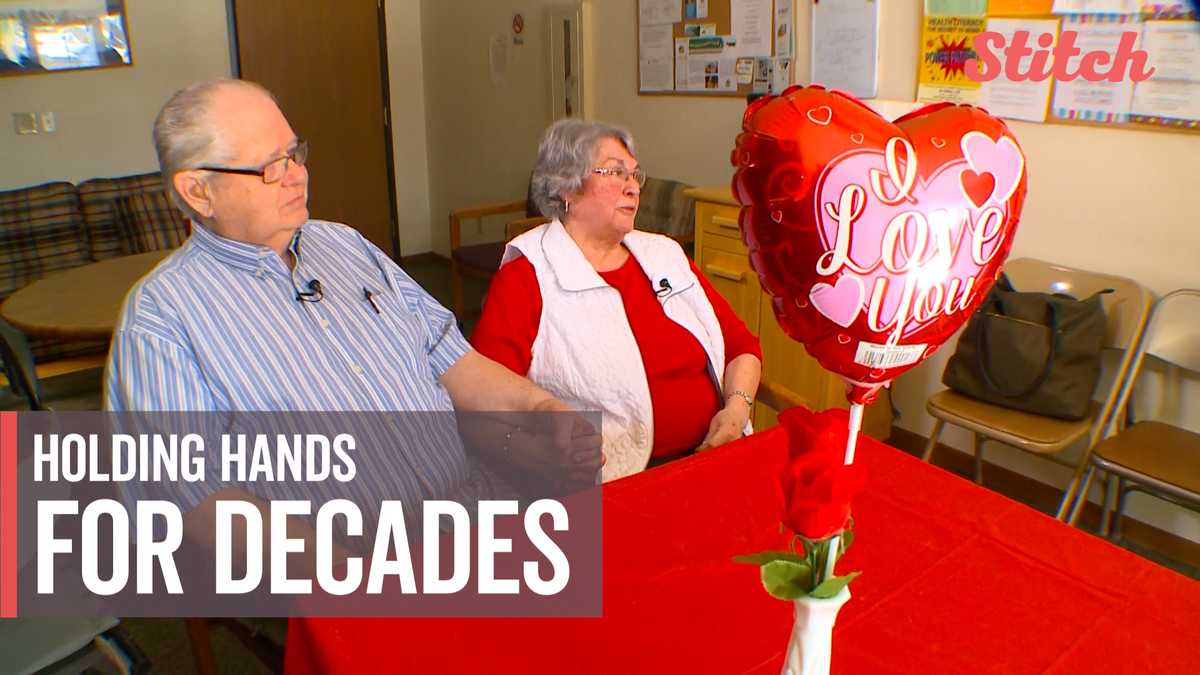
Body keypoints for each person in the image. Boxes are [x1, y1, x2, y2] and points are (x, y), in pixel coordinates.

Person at [104, 80, 598, 556]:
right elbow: (195, 499)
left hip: (474, 509)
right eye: (270, 167)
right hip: (346, 566)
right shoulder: (160, 319)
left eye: (295, 153)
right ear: (198, 192)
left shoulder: (344, 244)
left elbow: (448, 357)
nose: (297, 174)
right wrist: (348, 576)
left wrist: (540, 407)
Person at [471, 119, 763, 481]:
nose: (633, 188)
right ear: (568, 188)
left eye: (635, 176)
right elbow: (482, 402)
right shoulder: (527, 276)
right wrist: (543, 456)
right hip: (612, 483)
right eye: (615, 172)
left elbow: (741, 346)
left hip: (716, 455)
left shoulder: (665, 254)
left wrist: (736, 411)